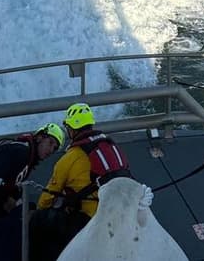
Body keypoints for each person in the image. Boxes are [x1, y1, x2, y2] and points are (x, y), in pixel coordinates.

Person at [30, 103, 131, 260]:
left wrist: (39, 211)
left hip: (94, 221)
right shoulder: (110, 146)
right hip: (123, 214)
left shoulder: (70, 158)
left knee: (40, 219)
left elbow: (46, 200)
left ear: (72, 130)